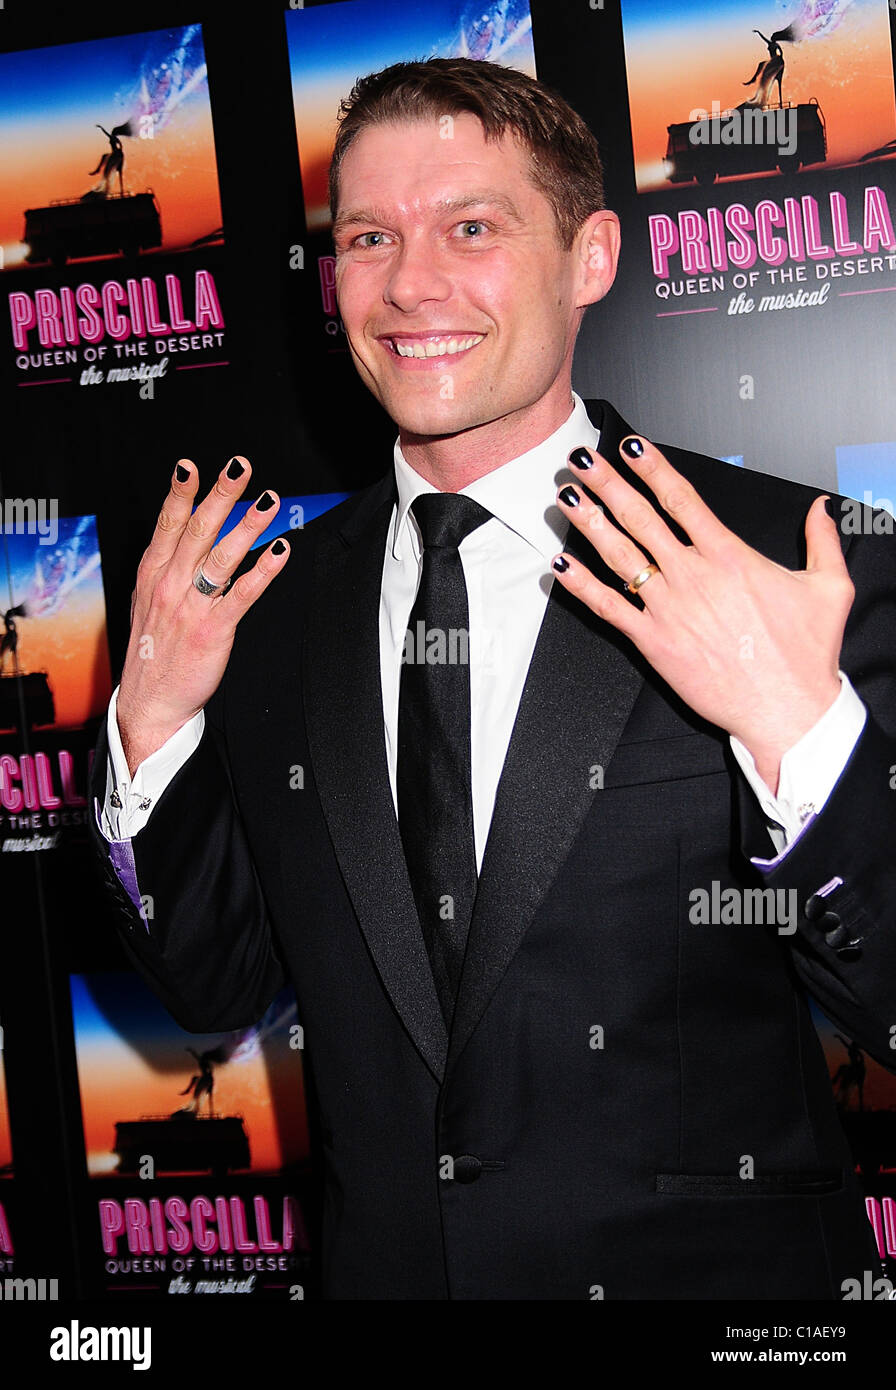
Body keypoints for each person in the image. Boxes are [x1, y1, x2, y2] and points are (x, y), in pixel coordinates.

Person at [91, 58, 896, 1300]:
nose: (411, 284)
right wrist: (150, 726)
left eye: (471, 226)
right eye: (369, 236)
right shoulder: (268, 599)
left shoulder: (786, 558)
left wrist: (802, 734)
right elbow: (213, 986)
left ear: (588, 258)